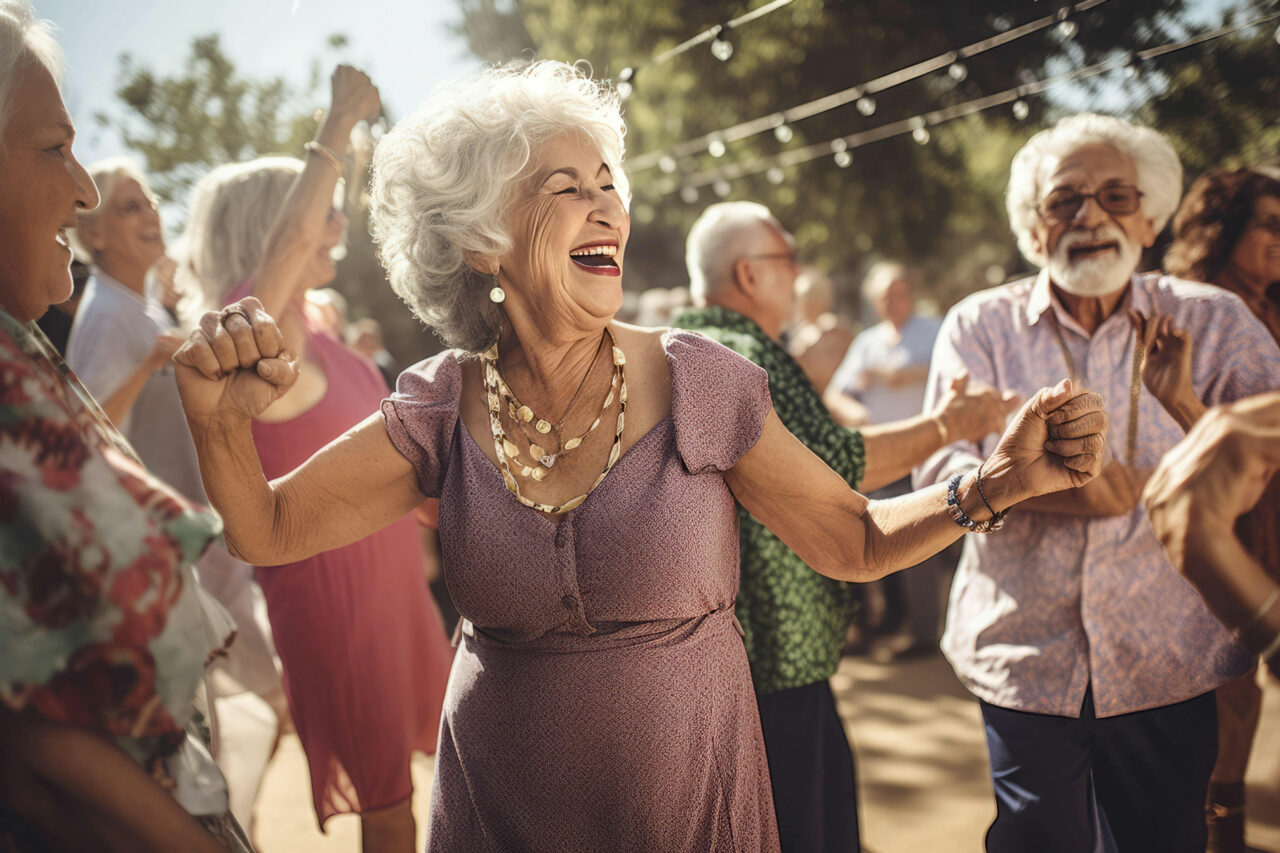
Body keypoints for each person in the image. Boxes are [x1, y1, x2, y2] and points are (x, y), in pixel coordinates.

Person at [172, 60, 1108, 851]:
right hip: (498, 808)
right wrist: (218, 424)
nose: (606, 206)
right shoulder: (439, 403)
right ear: (479, 243)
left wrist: (998, 483)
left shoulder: (704, 377)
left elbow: (851, 540)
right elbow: (266, 526)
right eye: (565, 187)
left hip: (687, 807)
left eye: (608, 182)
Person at [916, 113, 1280, 853]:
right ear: (1032, 227)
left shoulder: (1216, 323)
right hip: (1023, 658)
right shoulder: (978, 325)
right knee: (1034, 840)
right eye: (1064, 200)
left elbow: (1270, 478)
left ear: (1150, 217)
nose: (1090, 215)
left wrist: (1182, 408)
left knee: (1164, 838)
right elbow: (935, 482)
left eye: (1117, 195)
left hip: (1172, 657)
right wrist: (1050, 486)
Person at [676, 200, 1017, 851]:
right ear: (749, 275)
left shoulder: (674, 349)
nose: (799, 273)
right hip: (782, 651)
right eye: (788, 259)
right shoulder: (747, 356)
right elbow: (839, 471)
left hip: (719, 654)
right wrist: (951, 428)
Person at [178, 66, 452, 852]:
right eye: (318, 208)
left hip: (386, 577)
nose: (335, 223)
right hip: (334, 592)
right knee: (389, 805)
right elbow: (297, 239)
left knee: (405, 782)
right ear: (276, 226)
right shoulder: (256, 329)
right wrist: (339, 121)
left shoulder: (309, 324)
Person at [0, 2, 250, 849]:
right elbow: (42, 749)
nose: (83, 189)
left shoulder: (35, 334)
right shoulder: (102, 321)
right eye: (51, 148)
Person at [64, 157, 285, 837]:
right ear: (91, 234)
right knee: (254, 708)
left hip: (203, 545)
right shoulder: (107, 314)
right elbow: (81, 424)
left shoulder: (142, 304)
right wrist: (151, 363)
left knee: (251, 712)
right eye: (128, 207)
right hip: (171, 558)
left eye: (151, 200)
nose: (151, 214)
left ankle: (233, 828)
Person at [1164, 166, 1280, 852]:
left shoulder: (1273, 305)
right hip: (1218, 530)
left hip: (1273, 522)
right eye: (1269, 223)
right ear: (1222, 228)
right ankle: (1217, 834)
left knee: (1250, 692)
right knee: (1228, 693)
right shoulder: (1192, 311)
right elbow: (1174, 443)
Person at [828, 261, 949, 657]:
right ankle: (887, 623)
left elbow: (961, 379)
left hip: (926, 457)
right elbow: (836, 393)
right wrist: (855, 413)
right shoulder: (866, 343)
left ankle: (923, 635)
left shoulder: (935, 332)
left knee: (919, 543)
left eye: (897, 291)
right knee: (879, 540)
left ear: (910, 292)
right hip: (880, 458)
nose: (891, 300)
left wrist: (913, 374)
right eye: (883, 295)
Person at [786, 265, 854, 394]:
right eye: (803, 299)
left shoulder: (837, 330)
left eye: (812, 299)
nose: (804, 305)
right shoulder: (798, 335)